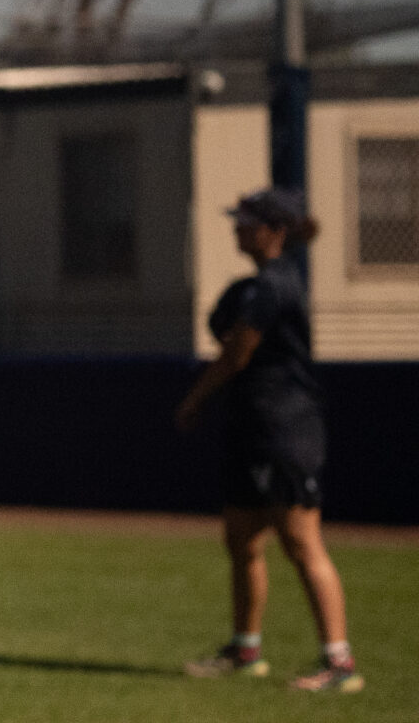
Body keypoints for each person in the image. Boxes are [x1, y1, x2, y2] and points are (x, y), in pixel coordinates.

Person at [175, 187, 362, 694]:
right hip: (253, 429)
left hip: (285, 429)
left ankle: (339, 664)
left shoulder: (275, 285)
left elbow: (237, 354)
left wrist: (194, 399)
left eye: (247, 222)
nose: (237, 228)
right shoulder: (257, 285)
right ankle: (245, 649)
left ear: (274, 231)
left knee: (302, 544)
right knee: (241, 540)